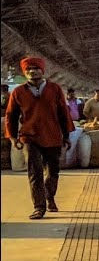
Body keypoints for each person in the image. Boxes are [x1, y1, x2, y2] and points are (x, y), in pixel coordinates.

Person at [4, 57, 74, 219]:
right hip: (29, 137)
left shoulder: (54, 89)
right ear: (24, 73)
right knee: (35, 172)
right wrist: (13, 137)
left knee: (53, 171)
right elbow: (11, 115)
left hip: (53, 135)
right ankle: (39, 207)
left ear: (42, 71)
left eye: (35, 68)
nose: (32, 72)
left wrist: (66, 136)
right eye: (28, 69)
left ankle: (50, 196)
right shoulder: (18, 92)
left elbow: (63, 113)